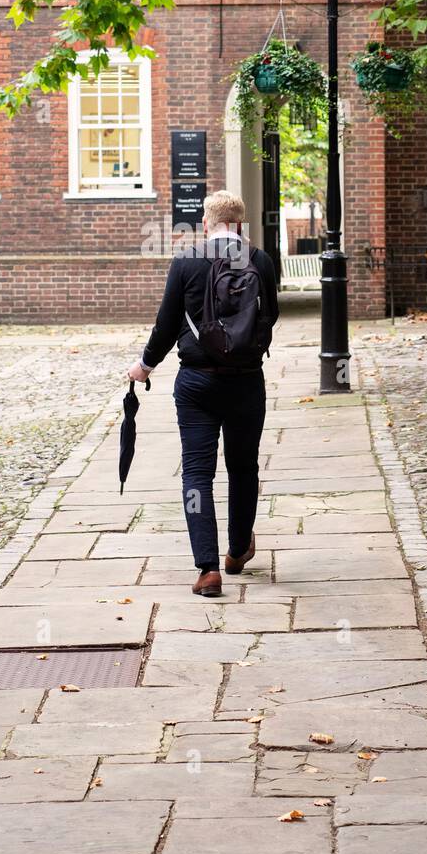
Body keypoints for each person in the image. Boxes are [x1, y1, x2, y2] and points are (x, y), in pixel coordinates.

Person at [129, 190, 279, 596]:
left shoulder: (187, 260)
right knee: (244, 467)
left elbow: (166, 323)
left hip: (197, 382)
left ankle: (208, 569)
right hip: (247, 380)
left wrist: (144, 366)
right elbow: (271, 316)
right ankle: (236, 551)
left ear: (207, 224)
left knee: (197, 472)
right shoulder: (260, 260)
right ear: (240, 224)